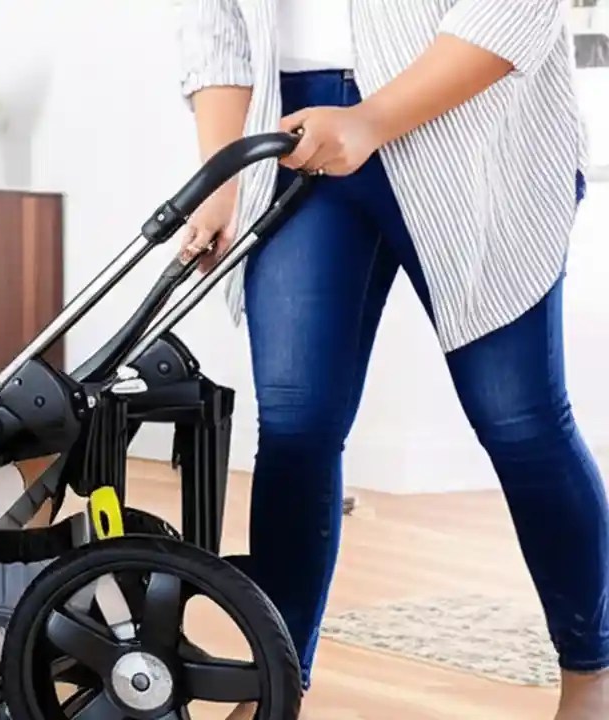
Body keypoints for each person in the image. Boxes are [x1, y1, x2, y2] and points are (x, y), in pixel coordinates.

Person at [177, 2, 607, 719]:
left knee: (520, 417)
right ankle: (275, 687)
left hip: (472, 123)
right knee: (296, 426)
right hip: (298, 132)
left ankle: (593, 673)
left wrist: (371, 120)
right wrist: (221, 181)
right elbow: (216, 23)